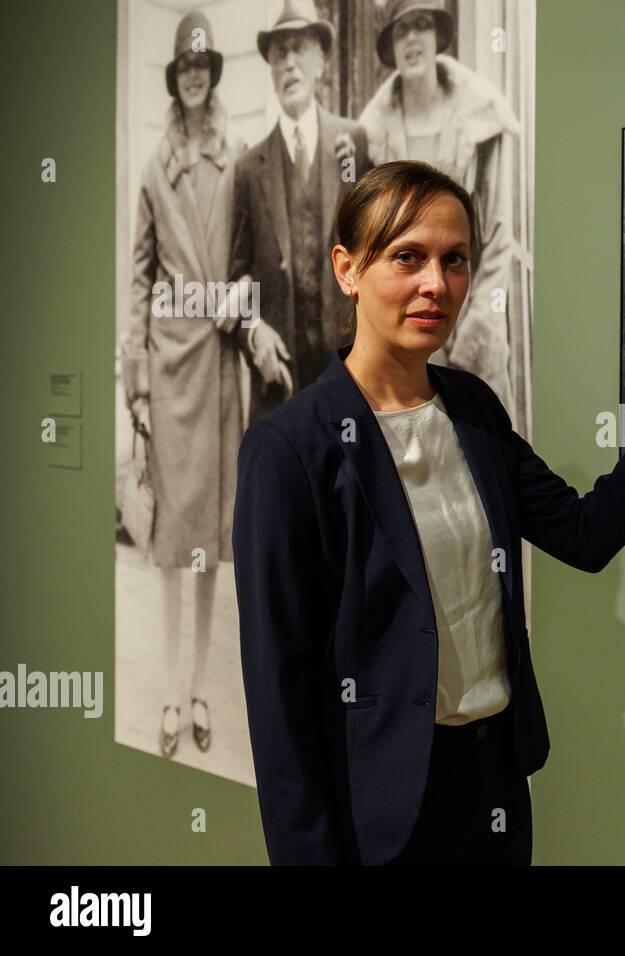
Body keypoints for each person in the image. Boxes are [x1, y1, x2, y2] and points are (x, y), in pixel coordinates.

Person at [232, 160, 625, 865]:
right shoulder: (290, 448)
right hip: (379, 817)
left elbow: (585, 531)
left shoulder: (473, 408)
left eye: (455, 261)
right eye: (407, 257)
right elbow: (280, 700)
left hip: (493, 792)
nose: (435, 285)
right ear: (347, 269)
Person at [123, 10, 243, 759]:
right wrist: (135, 382)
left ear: (212, 76)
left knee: (207, 541)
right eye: (182, 69)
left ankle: (199, 686)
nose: (193, 77)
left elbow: (247, 268)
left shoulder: (236, 160)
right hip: (169, 373)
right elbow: (139, 282)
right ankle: (169, 692)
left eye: (202, 67)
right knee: (171, 541)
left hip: (220, 367)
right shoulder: (152, 167)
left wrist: (240, 308)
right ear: (174, 81)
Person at [359, 0, 523, 416]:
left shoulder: (480, 119)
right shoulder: (372, 133)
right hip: (404, 324)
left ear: (437, 37)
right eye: (401, 30)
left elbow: (500, 234)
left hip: (469, 316)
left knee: (484, 454)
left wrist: (475, 324)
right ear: (391, 45)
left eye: (421, 26)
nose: (412, 39)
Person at [229, 0, 371, 424]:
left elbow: (380, 248)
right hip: (282, 379)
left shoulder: (354, 143)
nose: (289, 63)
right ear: (271, 69)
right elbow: (237, 275)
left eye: (300, 50)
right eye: (280, 53)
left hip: (350, 368)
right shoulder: (250, 168)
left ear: (321, 61)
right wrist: (254, 332)